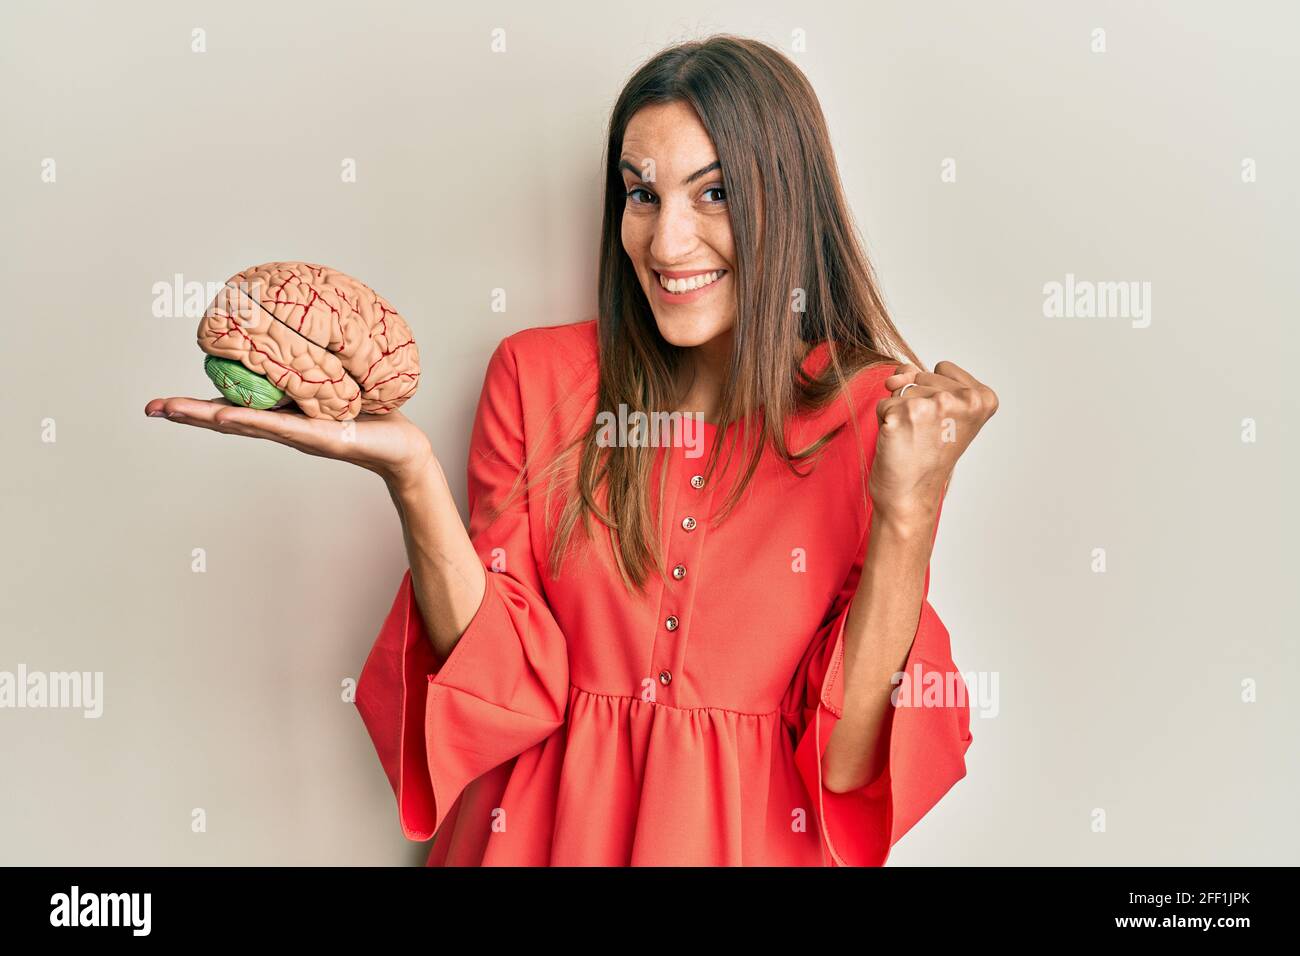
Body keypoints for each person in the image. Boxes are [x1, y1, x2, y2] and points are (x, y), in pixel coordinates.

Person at [145, 34, 998, 866]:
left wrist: (908, 512)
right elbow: (503, 690)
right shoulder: (535, 376)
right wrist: (411, 475)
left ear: (791, 197)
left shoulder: (883, 418)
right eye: (641, 194)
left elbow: (849, 764)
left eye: (715, 194)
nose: (665, 244)